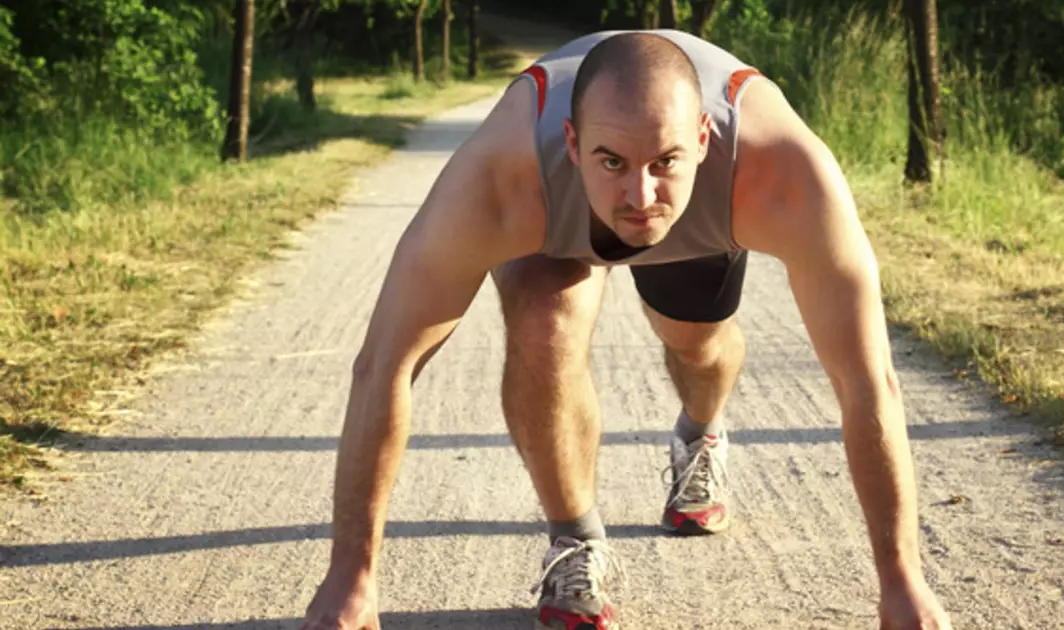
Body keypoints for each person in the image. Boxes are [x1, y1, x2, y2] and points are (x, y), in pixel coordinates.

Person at [301, 27, 952, 630]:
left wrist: (902, 580)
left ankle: (700, 433)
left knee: (695, 342)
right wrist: (351, 577)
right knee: (542, 324)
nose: (640, 197)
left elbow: (867, 380)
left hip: (707, 215)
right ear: (575, 144)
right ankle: (574, 541)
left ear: (702, 139)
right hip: (556, 213)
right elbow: (384, 365)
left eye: (664, 161)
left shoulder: (779, 174)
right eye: (612, 162)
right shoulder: (504, 179)